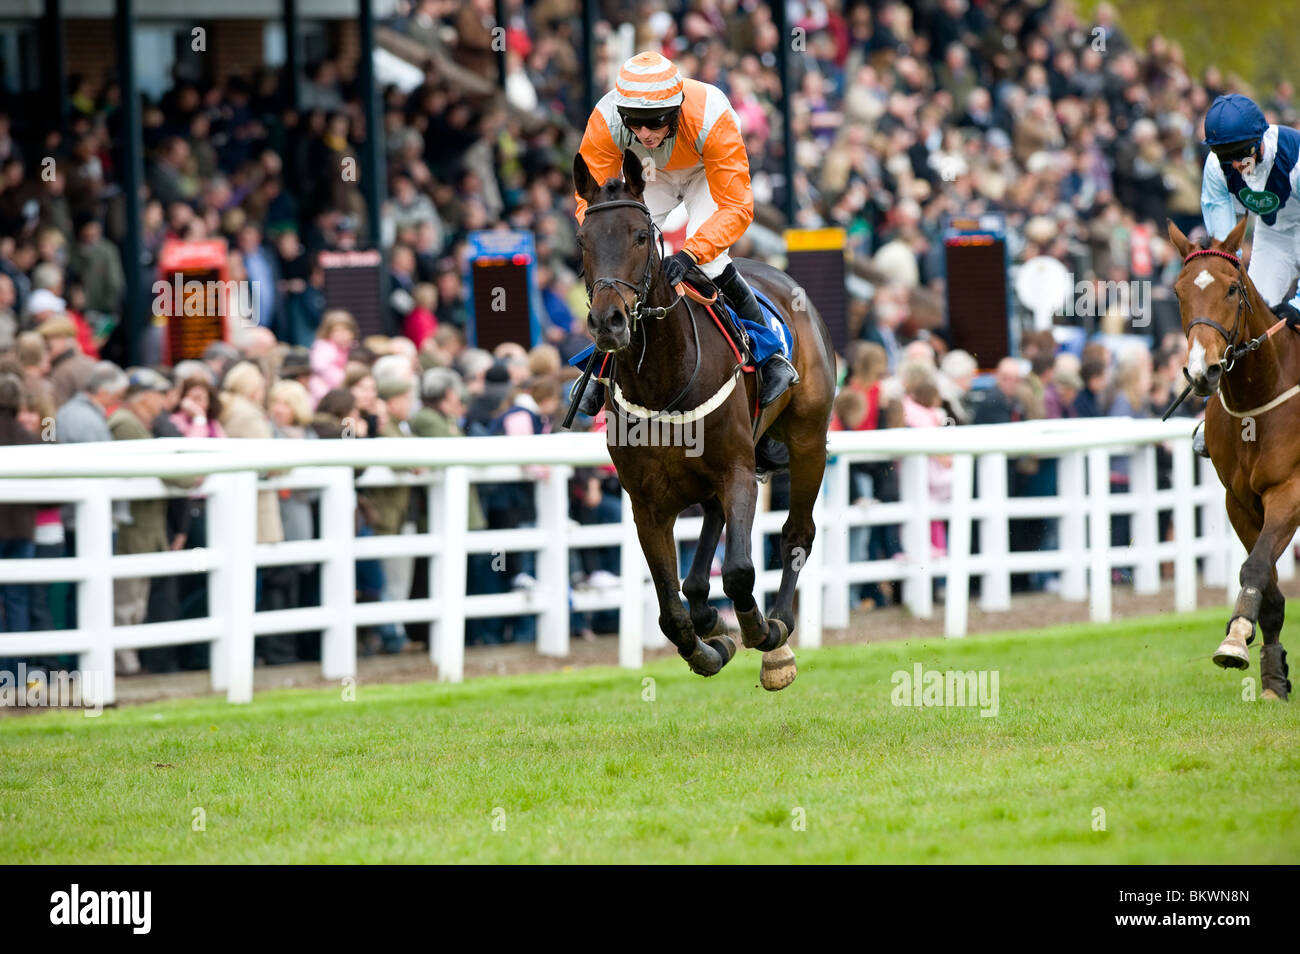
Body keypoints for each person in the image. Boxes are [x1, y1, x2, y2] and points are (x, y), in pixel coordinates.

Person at [569, 51, 798, 469]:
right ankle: (601, 367)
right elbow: (592, 203)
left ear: (675, 110)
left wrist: (692, 253)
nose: (645, 131)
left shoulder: (711, 114)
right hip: (647, 177)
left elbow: (736, 207)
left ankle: (769, 356)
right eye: (635, 123)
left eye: (655, 122)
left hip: (704, 174)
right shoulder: (605, 121)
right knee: (623, 262)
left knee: (710, 264)